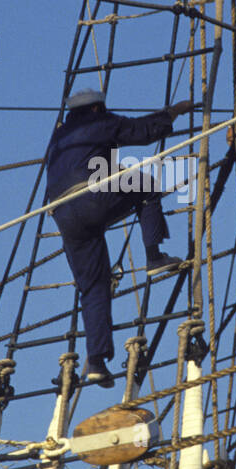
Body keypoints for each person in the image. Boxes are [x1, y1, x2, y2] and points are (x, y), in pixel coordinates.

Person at [45, 89, 193, 386]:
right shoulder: (98, 122)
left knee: (94, 287)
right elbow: (140, 132)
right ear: (97, 108)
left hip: (61, 213)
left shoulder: (58, 137)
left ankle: (97, 361)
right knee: (147, 187)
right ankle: (154, 257)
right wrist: (172, 112)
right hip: (92, 196)